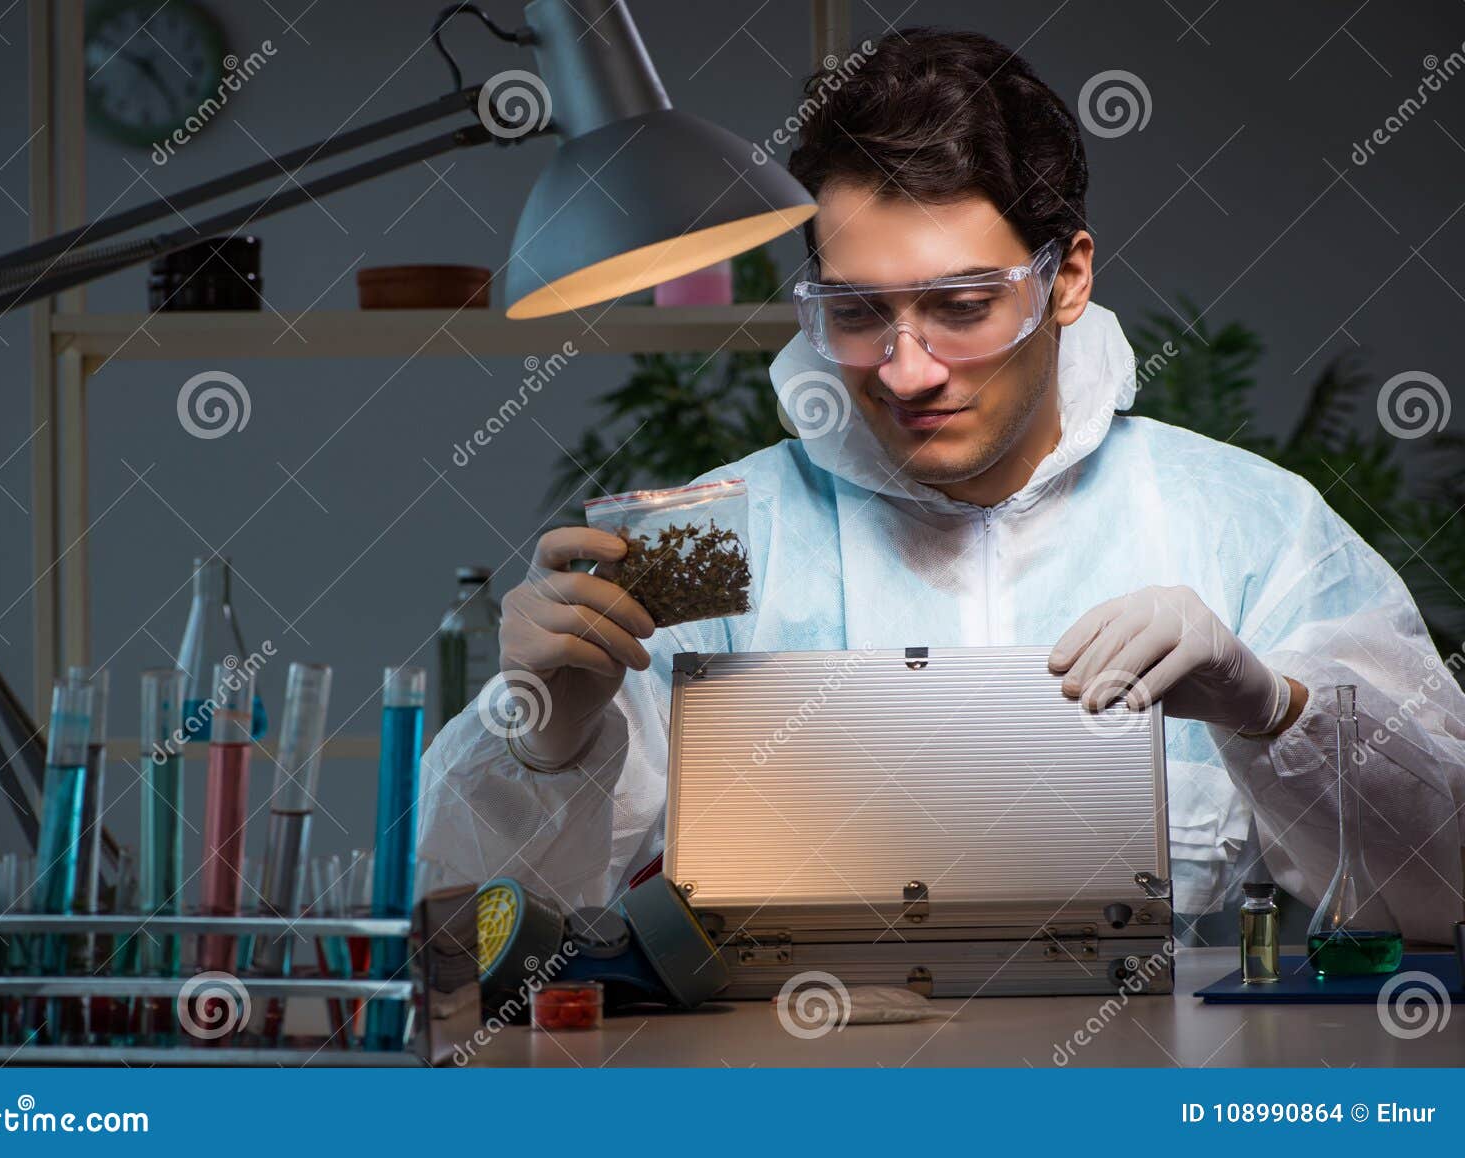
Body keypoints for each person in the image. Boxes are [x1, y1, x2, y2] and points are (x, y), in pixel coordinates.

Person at [418, 29, 1465, 941]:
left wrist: (1271, 709)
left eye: (962, 304)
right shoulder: (721, 545)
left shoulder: (1251, 530)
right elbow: (480, 931)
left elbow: (1441, 898)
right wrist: (546, 736)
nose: (908, 371)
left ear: (1068, 278)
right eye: (859, 312)